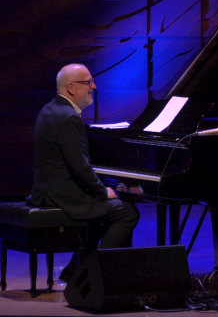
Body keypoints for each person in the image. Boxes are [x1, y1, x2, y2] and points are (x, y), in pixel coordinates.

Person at [27, 63, 140, 281]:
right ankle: (98, 275)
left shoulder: (50, 109)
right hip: (63, 197)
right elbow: (80, 168)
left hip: (49, 192)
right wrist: (101, 191)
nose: (94, 87)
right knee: (127, 212)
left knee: (105, 211)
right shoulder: (68, 118)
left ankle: (78, 268)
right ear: (71, 88)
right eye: (88, 82)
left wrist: (98, 190)